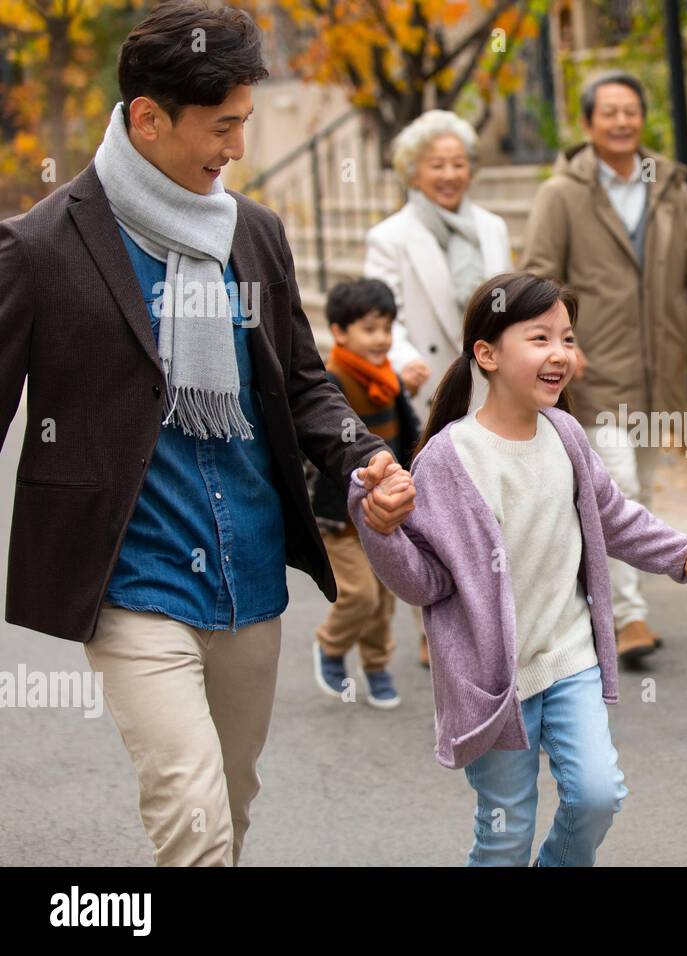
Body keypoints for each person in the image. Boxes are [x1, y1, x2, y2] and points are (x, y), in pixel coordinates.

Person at [0, 1, 414, 866]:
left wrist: (366, 454)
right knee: (192, 814)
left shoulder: (252, 232)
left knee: (231, 798)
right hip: (131, 578)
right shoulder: (39, 248)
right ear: (148, 118)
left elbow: (303, 381)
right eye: (221, 127)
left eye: (245, 125)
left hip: (248, 571)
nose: (236, 149)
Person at [346, 271, 687, 866]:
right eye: (540, 338)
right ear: (487, 354)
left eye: (567, 340)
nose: (560, 354)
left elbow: (616, 520)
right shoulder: (449, 459)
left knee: (598, 797)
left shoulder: (567, 436)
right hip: (494, 682)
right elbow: (423, 581)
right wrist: (379, 528)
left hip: (570, 658)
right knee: (504, 835)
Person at [520, 69, 687, 661]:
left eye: (632, 111)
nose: (622, 122)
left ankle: (589, 593)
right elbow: (539, 275)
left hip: (660, 374)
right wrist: (561, 344)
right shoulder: (563, 194)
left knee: (640, 489)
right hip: (593, 376)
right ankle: (627, 617)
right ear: (589, 122)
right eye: (610, 112)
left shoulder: (668, 186)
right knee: (616, 485)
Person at [365, 108, 513, 667]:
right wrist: (400, 357)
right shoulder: (391, 236)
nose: (449, 174)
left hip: (490, 383)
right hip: (428, 386)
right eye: (436, 165)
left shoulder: (492, 227)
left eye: (458, 163)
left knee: (490, 498)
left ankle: (493, 609)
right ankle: (435, 620)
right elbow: (386, 311)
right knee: (432, 506)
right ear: (412, 170)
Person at [310, 278, 422, 708]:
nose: (381, 339)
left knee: (384, 599)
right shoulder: (329, 385)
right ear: (339, 332)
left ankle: (376, 667)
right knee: (359, 594)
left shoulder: (388, 380)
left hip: (385, 512)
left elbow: (410, 431)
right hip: (340, 518)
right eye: (369, 329)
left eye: (387, 328)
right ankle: (331, 646)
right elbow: (321, 452)